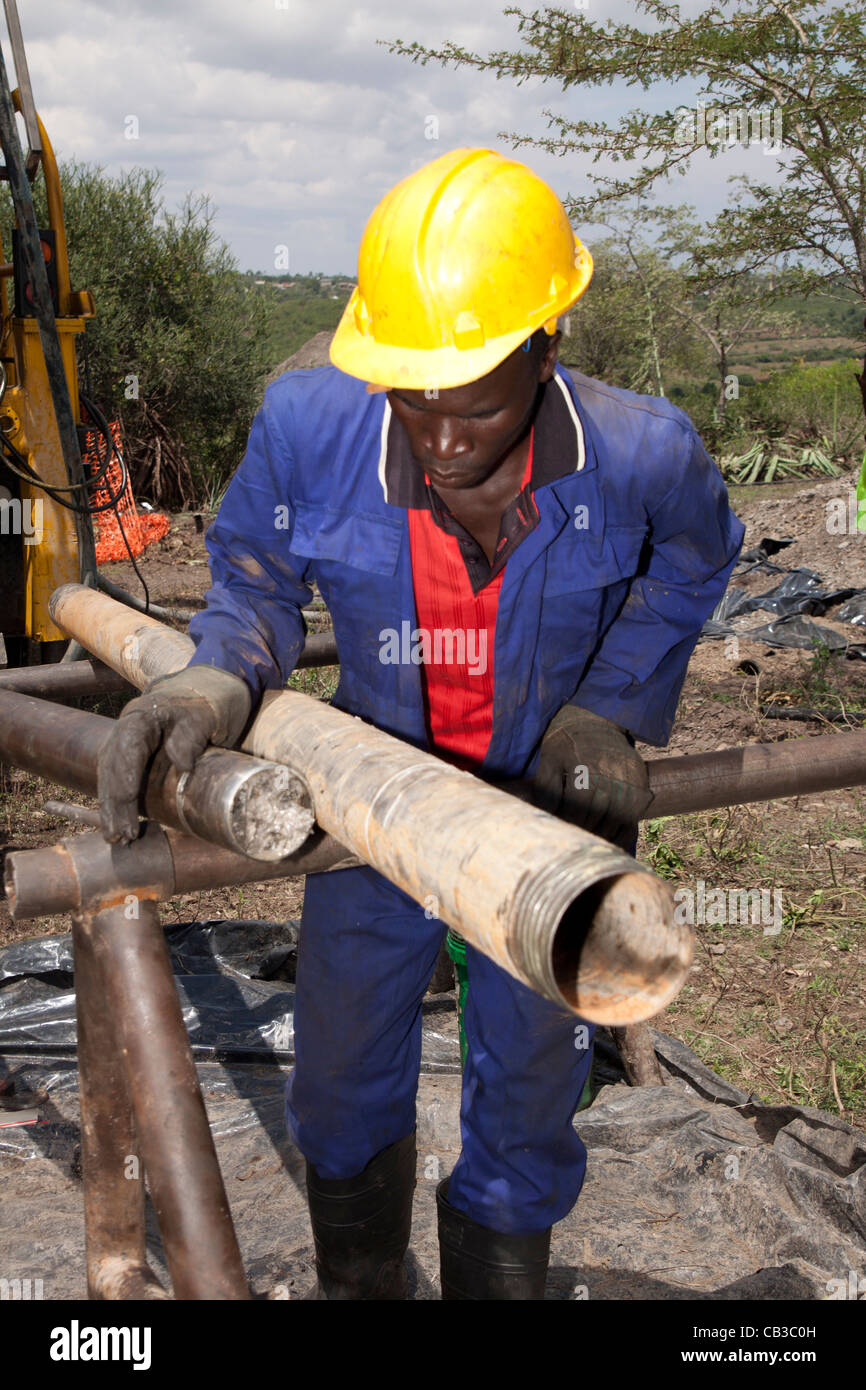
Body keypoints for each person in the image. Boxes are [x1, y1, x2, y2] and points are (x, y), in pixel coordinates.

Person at [97, 147, 745, 1300]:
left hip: (546, 821)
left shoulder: (641, 453)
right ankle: (361, 1279)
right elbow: (251, 580)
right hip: (373, 801)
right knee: (339, 1079)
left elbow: (694, 558)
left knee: (532, 1082)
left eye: (476, 402)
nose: (440, 437)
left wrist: (610, 708)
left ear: (543, 353)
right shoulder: (312, 431)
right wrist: (211, 683)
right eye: (414, 399)